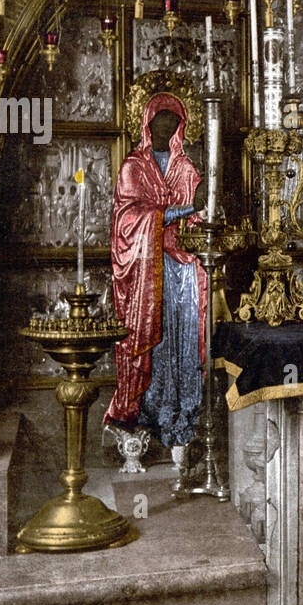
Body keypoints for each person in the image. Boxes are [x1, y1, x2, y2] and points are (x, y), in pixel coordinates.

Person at [105, 95, 209, 454]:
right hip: (148, 270)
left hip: (182, 269)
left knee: (185, 339)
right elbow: (128, 219)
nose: (166, 127)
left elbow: (201, 217)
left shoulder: (186, 169)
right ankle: (152, 419)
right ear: (147, 124)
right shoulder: (134, 167)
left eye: (173, 121)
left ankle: (187, 421)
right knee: (156, 341)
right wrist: (181, 210)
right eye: (159, 120)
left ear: (180, 126)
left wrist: (199, 214)